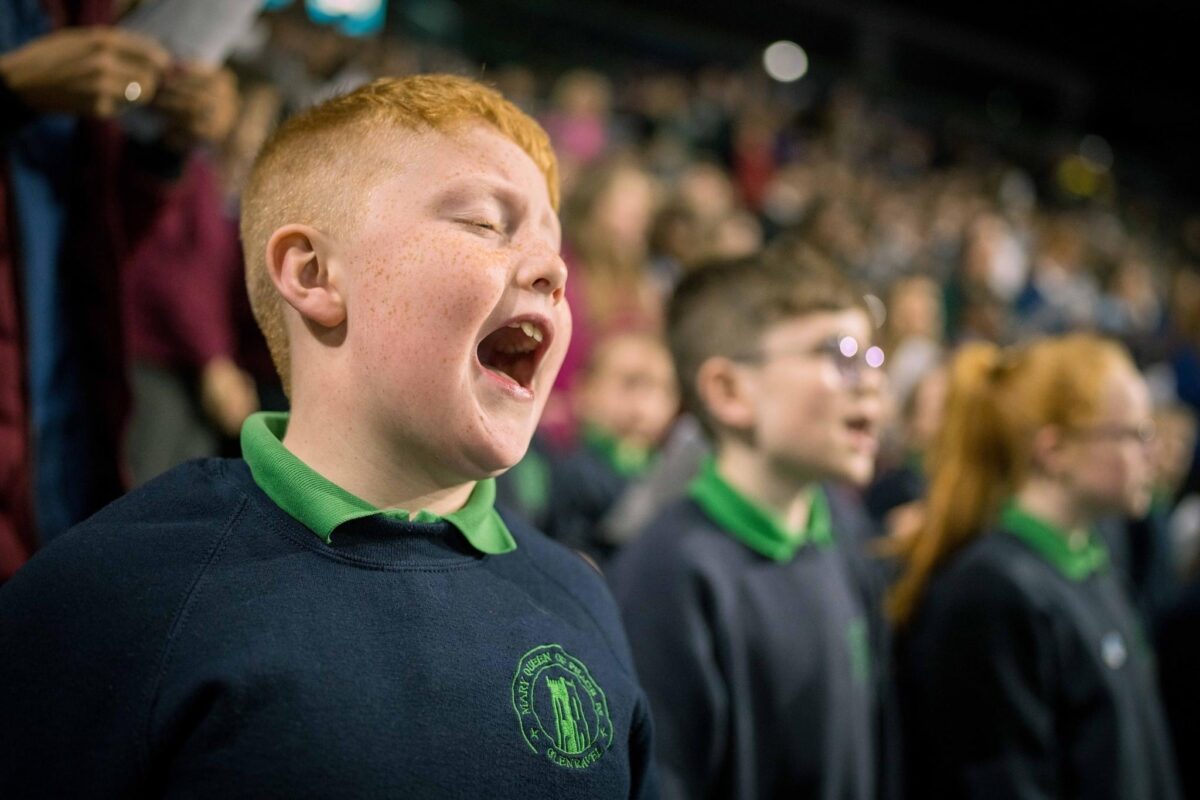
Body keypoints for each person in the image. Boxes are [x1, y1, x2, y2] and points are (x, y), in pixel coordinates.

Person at [0, 74, 657, 798]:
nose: (555, 271)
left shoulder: (580, 599)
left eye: (552, 242)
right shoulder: (114, 595)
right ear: (313, 274)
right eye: (483, 223)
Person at [608, 253, 897, 799]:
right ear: (730, 391)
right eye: (840, 355)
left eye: (873, 357)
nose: (873, 384)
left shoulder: (842, 530)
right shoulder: (667, 576)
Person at [893, 335, 1182, 799]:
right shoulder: (992, 591)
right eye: (1134, 434)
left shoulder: (1088, 558)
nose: (1154, 452)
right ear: (1054, 451)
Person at [544, 331, 679, 564]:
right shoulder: (577, 472)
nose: (644, 408)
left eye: (664, 390)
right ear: (584, 390)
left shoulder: (666, 468)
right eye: (630, 384)